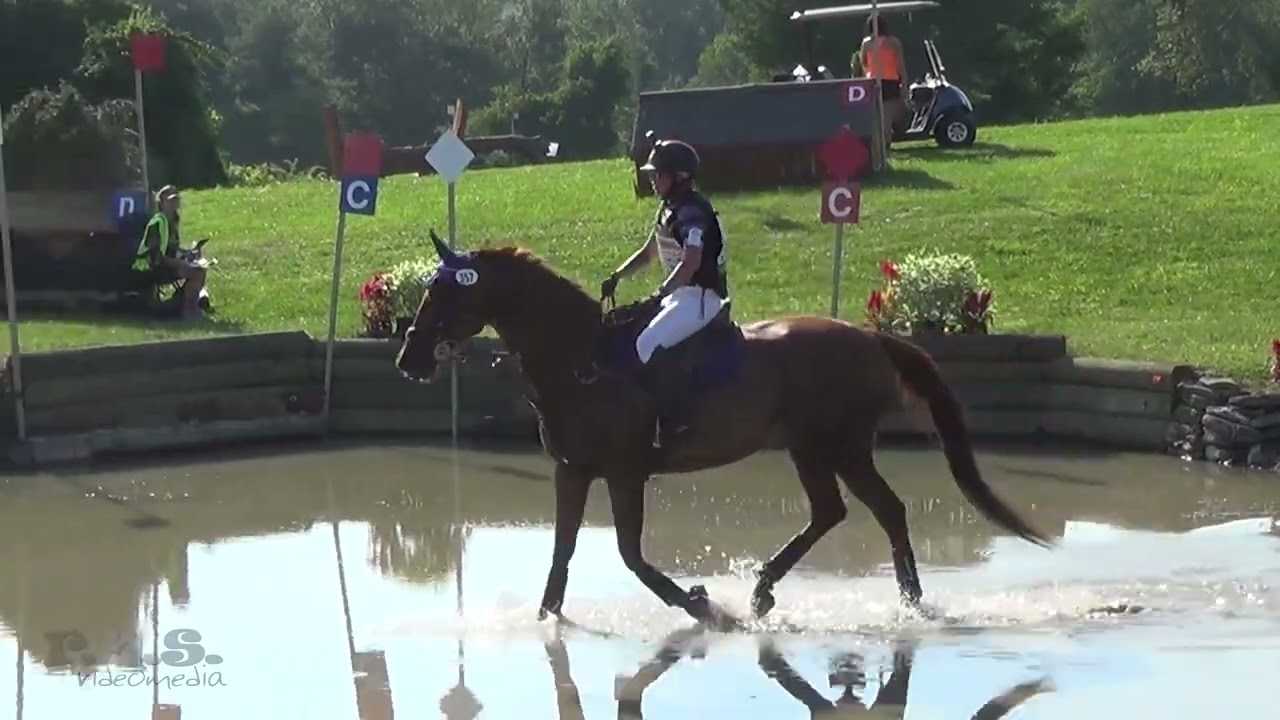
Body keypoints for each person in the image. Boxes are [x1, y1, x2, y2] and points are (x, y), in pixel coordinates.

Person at [600, 137, 730, 447]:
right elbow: (649, 254)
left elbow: (692, 260)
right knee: (627, 330)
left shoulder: (693, 214)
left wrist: (659, 293)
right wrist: (617, 275)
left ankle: (676, 421)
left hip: (701, 299)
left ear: (679, 176)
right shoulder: (669, 208)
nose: (652, 180)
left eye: (658, 174)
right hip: (680, 296)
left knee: (648, 342)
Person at [132, 185, 207, 319]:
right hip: (149, 267)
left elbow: (170, 249)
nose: (174, 203)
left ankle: (185, 305)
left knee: (199, 269)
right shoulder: (157, 222)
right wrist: (179, 263)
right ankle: (187, 311)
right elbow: (154, 255)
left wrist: (187, 254)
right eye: (171, 200)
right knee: (196, 272)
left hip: (164, 264)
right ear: (162, 202)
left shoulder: (172, 222)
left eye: (176, 200)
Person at [854, 15, 909, 153]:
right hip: (890, 81)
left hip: (872, 81)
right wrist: (904, 84)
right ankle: (886, 146)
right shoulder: (894, 43)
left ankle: (877, 147)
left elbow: (864, 64)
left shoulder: (866, 43)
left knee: (875, 117)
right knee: (887, 118)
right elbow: (900, 66)